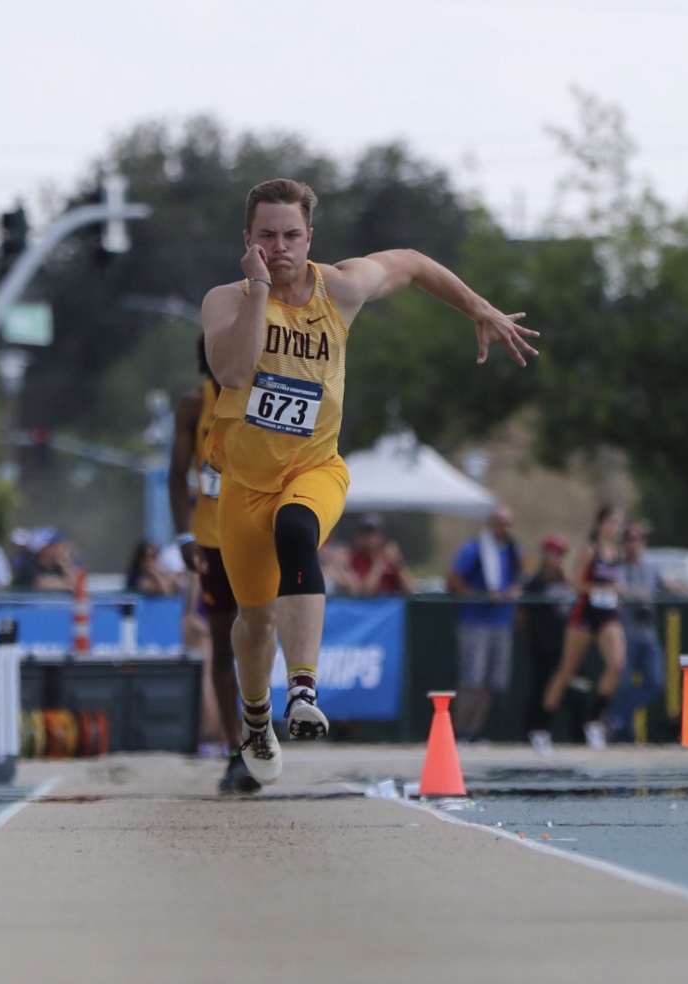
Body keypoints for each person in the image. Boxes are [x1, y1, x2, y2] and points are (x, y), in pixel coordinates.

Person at [201, 177, 537, 782]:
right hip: (244, 485)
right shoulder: (225, 300)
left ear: (310, 237)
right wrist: (257, 288)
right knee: (253, 621)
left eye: (292, 236)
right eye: (267, 237)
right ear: (247, 240)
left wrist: (478, 307)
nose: (281, 249)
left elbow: (411, 263)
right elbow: (233, 370)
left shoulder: (343, 287)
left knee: (298, 528)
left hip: (314, 467)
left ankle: (303, 691)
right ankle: (256, 724)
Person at [168, 334, 256, 793]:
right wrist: (184, 535)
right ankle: (234, 749)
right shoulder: (192, 405)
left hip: (259, 537)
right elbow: (176, 477)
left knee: (258, 636)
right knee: (222, 645)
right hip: (213, 541)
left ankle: (260, 728)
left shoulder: (264, 393)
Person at [541, 505, 628, 749]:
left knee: (617, 663)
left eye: (619, 523)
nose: (616, 528)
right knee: (568, 669)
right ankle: (542, 726)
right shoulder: (591, 550)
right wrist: (601, 589)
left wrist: (618, 590)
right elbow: (575, 582)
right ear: (600, 524)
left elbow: (617, 581)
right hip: (586, 612)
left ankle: (594, 719)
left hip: (608, 613)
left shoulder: (617, 552)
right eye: (612, 522)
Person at [446, 505, 524, 743]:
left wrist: (512, 593)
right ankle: (458, 730)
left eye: (508, 523)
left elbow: (520, 579)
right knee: (472, 679)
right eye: (500, 522)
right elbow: (453, 579)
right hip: (475, 621)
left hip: (501, 623)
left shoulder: (514, 551)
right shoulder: (474, 549)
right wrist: (478, 594)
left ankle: (475, 730)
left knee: (491, 681)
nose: (505, 528)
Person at [612, 520, 674, 743]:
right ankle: (623, 730)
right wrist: (634, 594)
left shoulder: (651, 566)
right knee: (623, 682)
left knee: (655, 682)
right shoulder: (616, 567)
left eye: (637, 539)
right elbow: (617, 589)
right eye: (629, 539)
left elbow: (667, 584)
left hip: (648, 633)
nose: (633, 544)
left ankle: (618, 718)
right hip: (625, 633)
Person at [519, 534, 578, 755]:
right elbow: (523, 615)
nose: (558, 560)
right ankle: (533, 730)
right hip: (542, 644)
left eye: (561, 555)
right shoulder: (535, 582)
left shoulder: (566, 581)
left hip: (565, 644)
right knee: (541, 685)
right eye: (554, 554)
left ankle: (574, 734)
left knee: (571, 687)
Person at [347, 514, 413, 596]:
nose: (368, 537)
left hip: (391, 605)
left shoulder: (390, 557)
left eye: (372, 533)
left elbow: (410, 589)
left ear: (380, 536)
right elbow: (364, 591)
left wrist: (398, 563)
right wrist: (379, 565)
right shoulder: (353, 558)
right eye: (364, 533)